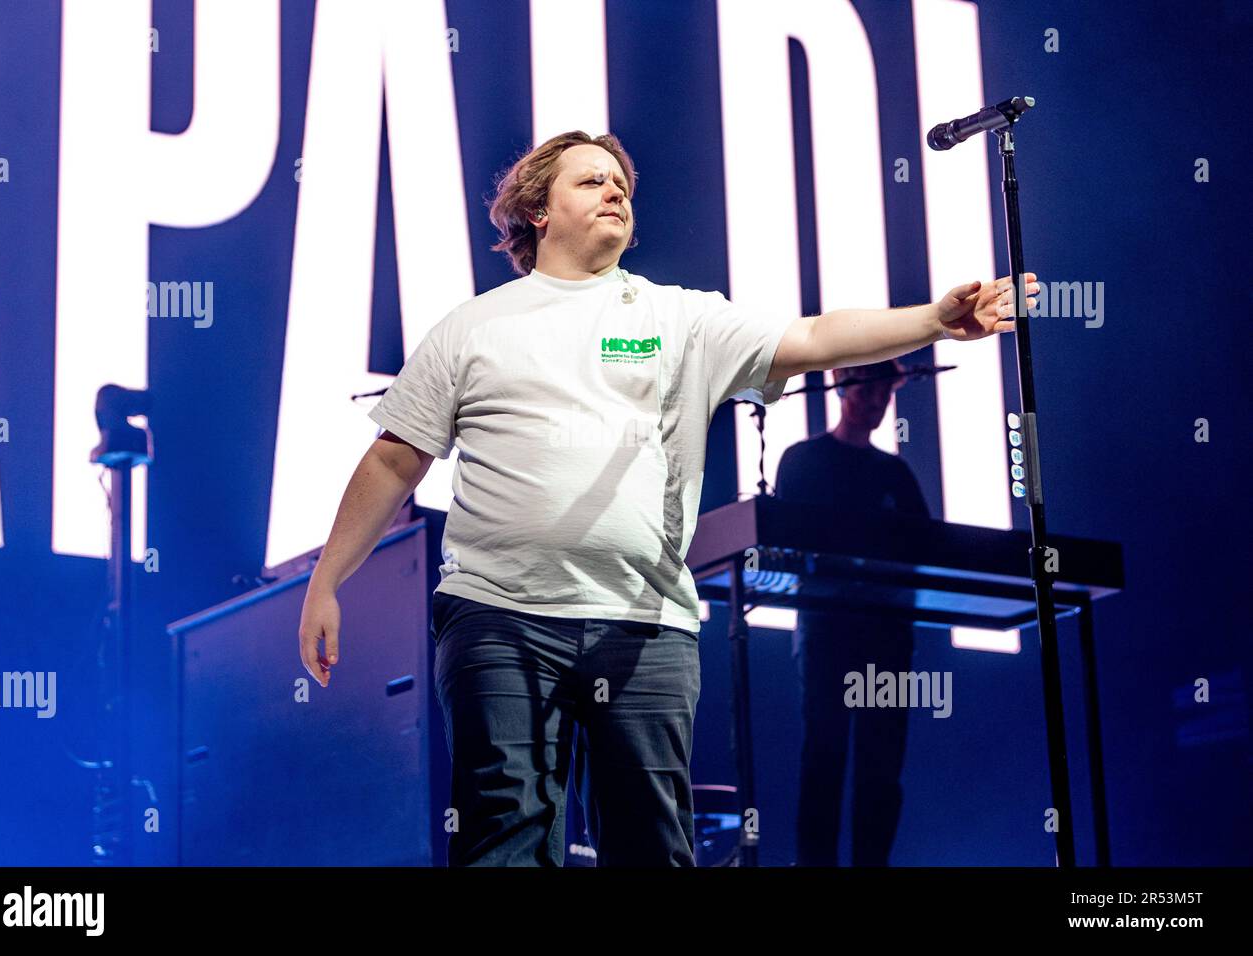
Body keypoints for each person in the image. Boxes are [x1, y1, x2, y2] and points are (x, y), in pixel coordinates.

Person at [297, 129, 1036, 866]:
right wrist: (327, 581)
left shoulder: (681, 319)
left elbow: (814, 335)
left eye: (620, 183)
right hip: (500, 616)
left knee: (652, 848)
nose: (614, 190)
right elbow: (395, 459)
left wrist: (933, 321)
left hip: (644, 625)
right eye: (590, 181)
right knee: (506, 836)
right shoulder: (473, 327)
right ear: (537, 211)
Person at [775, 359, 928, 866]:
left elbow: (928, 551)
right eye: (870, 392)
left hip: (887, 636)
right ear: (842, 387)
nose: (878, 404)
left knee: (882, 766)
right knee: (825, 753)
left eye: (885, 395)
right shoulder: (802, 461)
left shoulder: (896, 475)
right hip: (828, 631)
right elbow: (790, 543)